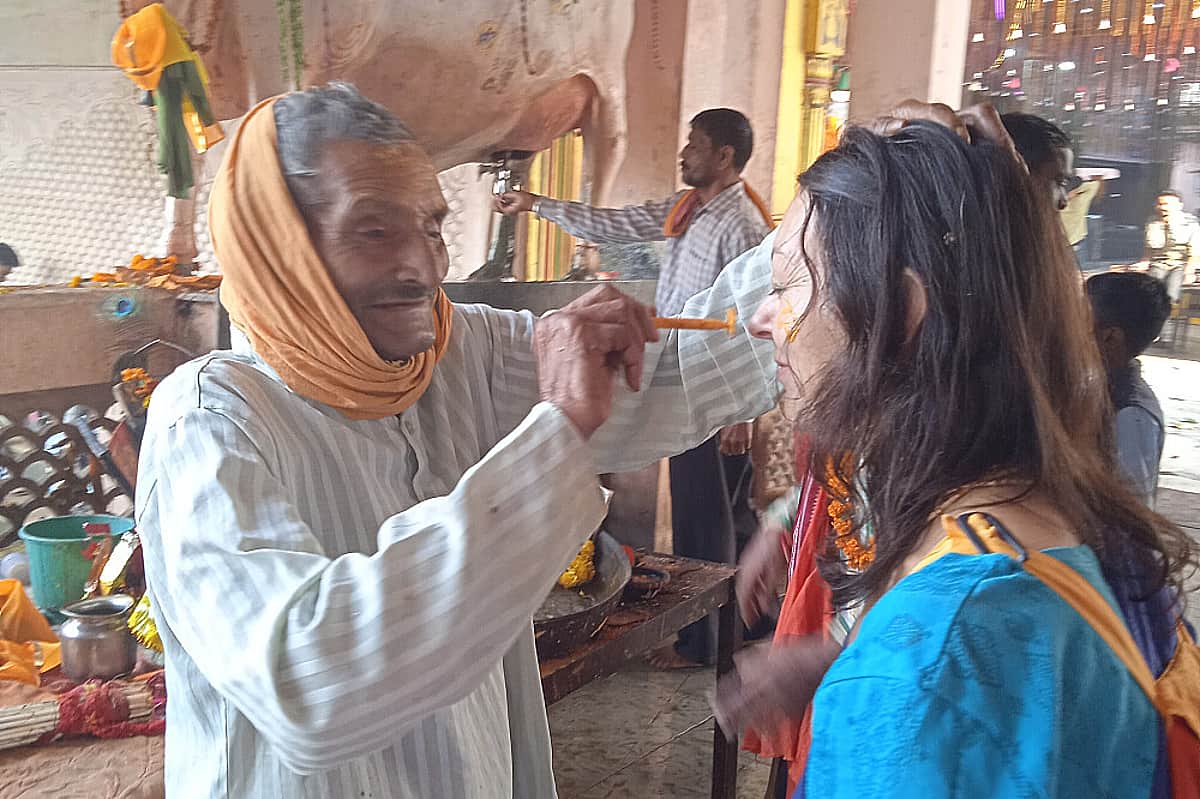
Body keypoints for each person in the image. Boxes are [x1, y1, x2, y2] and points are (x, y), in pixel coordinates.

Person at [135, 83, 780, 798]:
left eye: (433, 227)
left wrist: (813, 259)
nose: (422, 266)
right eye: (375, 230)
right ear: (278, 246)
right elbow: (308, 682)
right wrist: (558, 434)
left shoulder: (454, 351)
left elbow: (675, 378)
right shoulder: (210, 418)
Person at [730, 108, 1195, 797]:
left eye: (787, 281)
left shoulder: (928, 666)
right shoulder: (1063, 519)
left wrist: (877, 666)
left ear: (905, 310)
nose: (760, 317)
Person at [496, 107, 774, 666]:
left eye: (694, 145)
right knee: (730, 513)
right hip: (687, 372)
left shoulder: (741, 224)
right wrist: (536, 205)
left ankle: (703, 646)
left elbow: (754, 314)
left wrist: (740, 413)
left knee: (706, 515)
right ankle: (749, 624)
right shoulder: (688, 210)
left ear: (724, 156)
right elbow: (617, 225)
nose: (683, 153)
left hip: (714, 386)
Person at [1087, 272, 1172, 507]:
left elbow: (1134, 507)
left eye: (1077, 319)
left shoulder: (1131, 413)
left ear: (1110, 337)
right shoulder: (1098, 388)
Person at [1145, 190, 1198, 301]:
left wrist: (1189, 272)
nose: (1163, 208)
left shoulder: (1190, 224)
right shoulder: (1152, 222)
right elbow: (1149, 248)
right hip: (1159, 263)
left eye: (1167, 204)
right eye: (1160, 204)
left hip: (1180, 264)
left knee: (1171, 292)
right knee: (1149, 290)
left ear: (1179, 206)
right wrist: (1144, 262)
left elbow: (1195, 253)